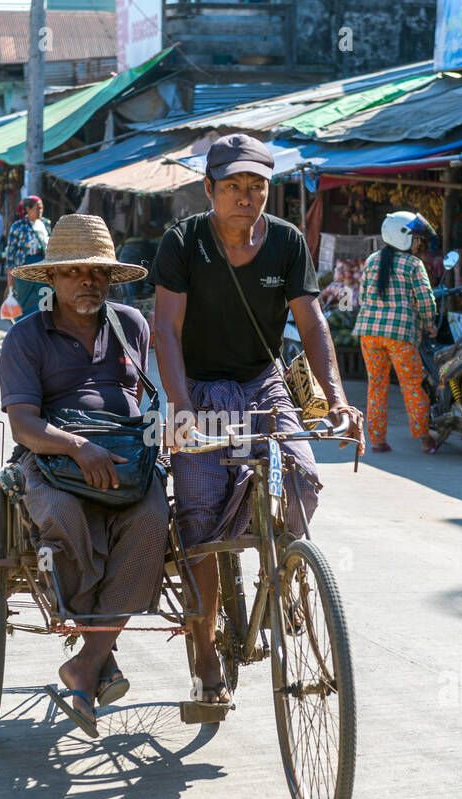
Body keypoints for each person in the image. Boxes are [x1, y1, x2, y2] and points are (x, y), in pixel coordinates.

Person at [152, 132, 364, 706]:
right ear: (209, 189)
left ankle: (288, 567)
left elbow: (313, 324)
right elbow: (165, 331)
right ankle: (204, 662)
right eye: (233, 186)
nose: (246, 196)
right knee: (198, 526)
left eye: (257, 186)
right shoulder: (182, 241)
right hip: (195, 385)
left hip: (262, 381)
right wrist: (181, 410)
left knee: (300, 475)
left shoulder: (288, 243)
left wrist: (337, 398)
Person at [0, 214, 166, 734]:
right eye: (74, 272)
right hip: (52, 456)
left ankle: (86, 662)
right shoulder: (26, 337)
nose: (87, 282)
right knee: (66, 516)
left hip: (124, 457)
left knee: (153, 520)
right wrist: (78, 448)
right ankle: (100, 654)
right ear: (52, 278)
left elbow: (139, 404)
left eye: (97, 273)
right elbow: (24, 423)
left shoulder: (132, 326)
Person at [355, 210, 441, 453]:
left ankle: (378, 441)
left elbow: (362, 297)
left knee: (376, 386)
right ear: (402, 236)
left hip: (369, 334)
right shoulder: (413, 264)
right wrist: (429, 324)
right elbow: (426, 300)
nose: (418, 243)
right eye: (416, 239)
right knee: (413, 385)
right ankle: (424, 438)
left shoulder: (372, 260)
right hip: (401, 335)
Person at [6, 196, 51, 320]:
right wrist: (10, 271)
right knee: (24, 297)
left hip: (42, 263)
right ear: (28, 209)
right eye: (38, 208)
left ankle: (46, 323)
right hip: (24, 265)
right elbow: (11, 250)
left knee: (46, 294)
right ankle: (22, 325)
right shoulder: (18, 226)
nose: (40, 211)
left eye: (41, 208)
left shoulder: (45, 224)